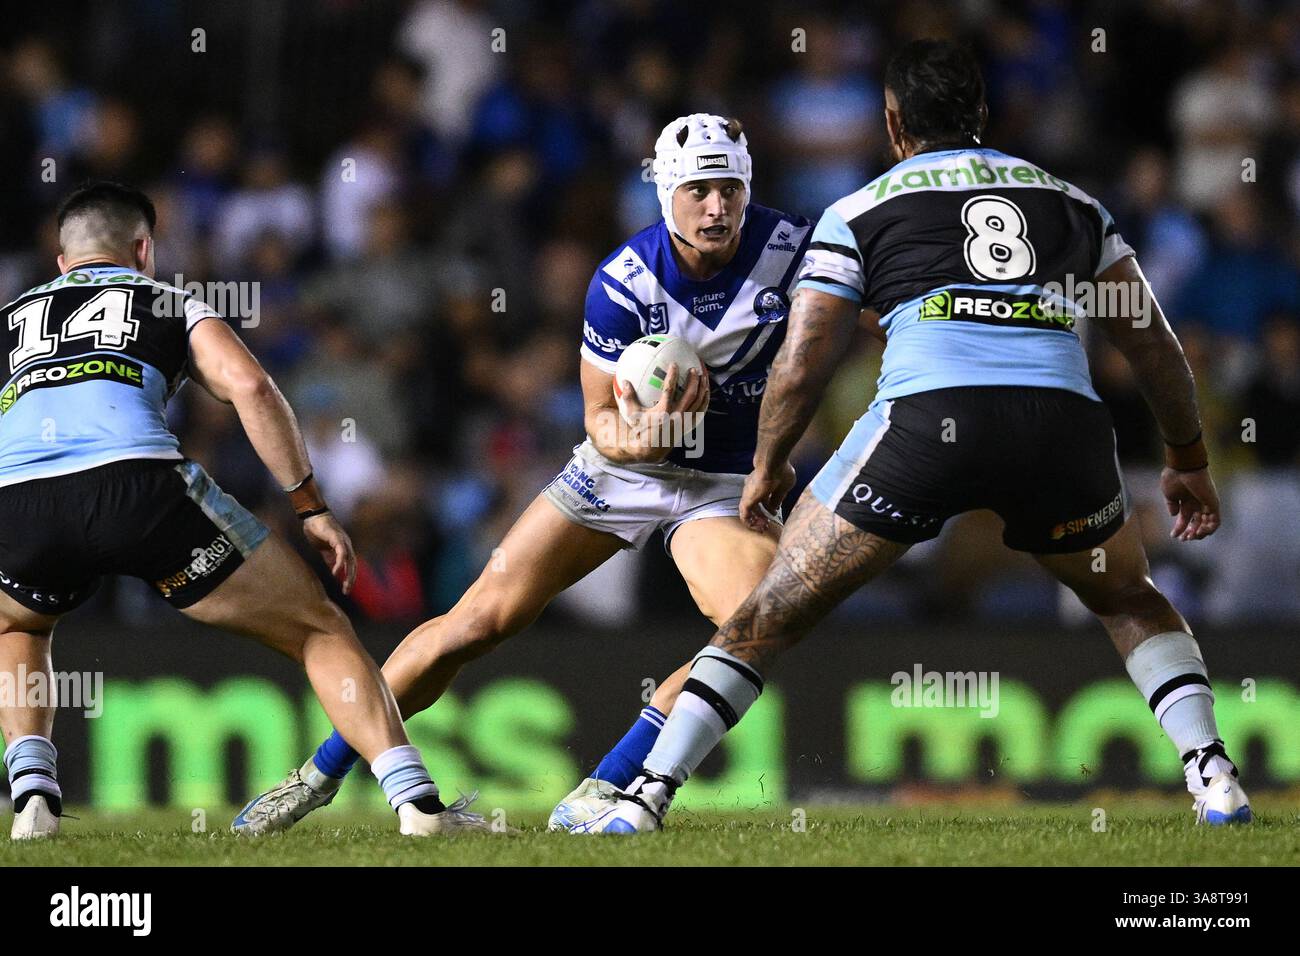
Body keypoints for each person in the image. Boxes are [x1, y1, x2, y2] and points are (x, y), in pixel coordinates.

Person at [582, 40, 1252, 833]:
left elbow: (805, 358)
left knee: (766, 616)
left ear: (895, 124)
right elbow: (1153, 345)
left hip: (927, 426)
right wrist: (1186, 461)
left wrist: (767, 466)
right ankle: (1212, 774)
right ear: (984, 114)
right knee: (1128, 596)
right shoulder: (1073, 203)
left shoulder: (860, 209)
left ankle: (645, 796)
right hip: (1060, 429)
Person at [231, 114, 813, 835]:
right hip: (620, 468)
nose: (718, 207)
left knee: (751, 630)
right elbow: (600, 419)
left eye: (731, 189)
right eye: (699, 190)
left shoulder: (791, 249)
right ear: (667, 193)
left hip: (721, 483)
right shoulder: (623, 283)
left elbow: (867, 315)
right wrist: (642, 439)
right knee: (476, 623)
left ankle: (607, 786)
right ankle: (319, 772)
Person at [0, 181, 484, 838]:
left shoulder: (10, 319)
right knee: (318, 629)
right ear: (143, 250)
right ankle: (416, 804)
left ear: (62, 261)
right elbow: (250, 387)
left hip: (17, 500)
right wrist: (310, 506)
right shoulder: (167, 300)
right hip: (138, 486)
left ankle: (33, 794)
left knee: (17, 627)